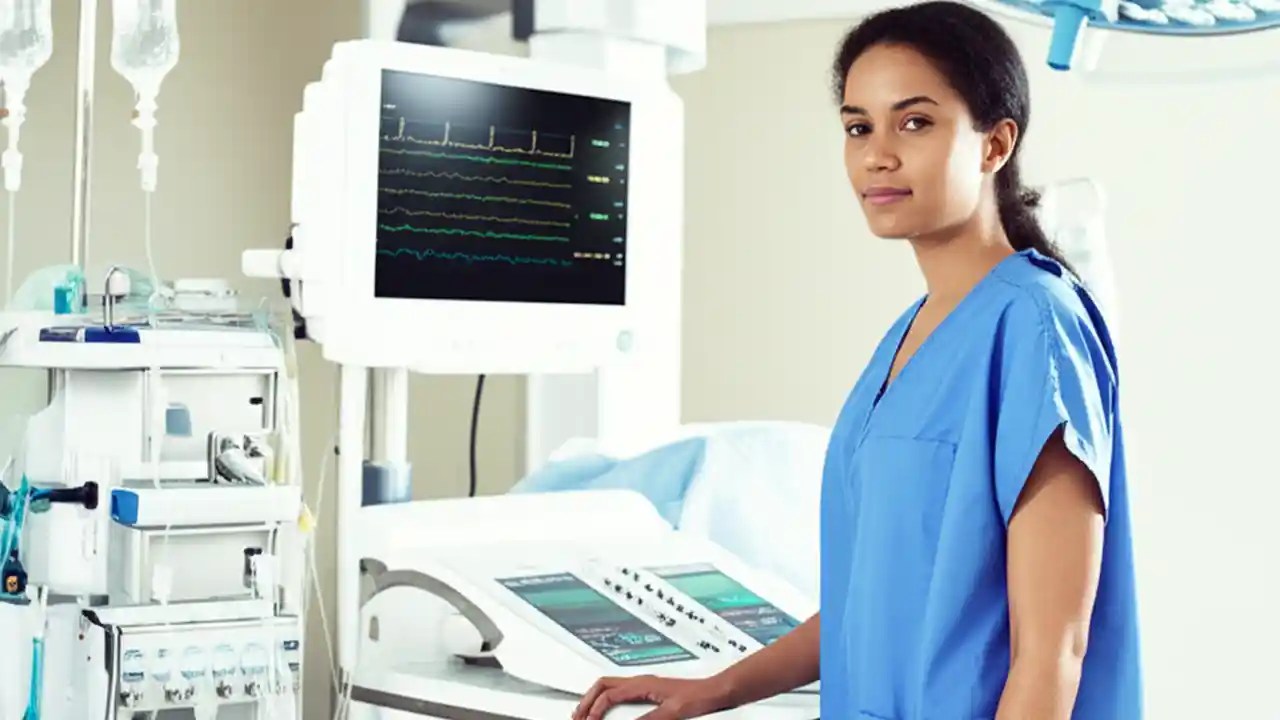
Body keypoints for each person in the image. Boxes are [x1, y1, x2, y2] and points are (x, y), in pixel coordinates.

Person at [572, 2, 1142, 719]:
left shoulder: (1033, 326)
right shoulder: (912, 336)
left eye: (915, 122)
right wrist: (716, 688)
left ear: (994, 145)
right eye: (857, 127)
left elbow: (1055, 649)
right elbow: (870, 609)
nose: (877, 154)